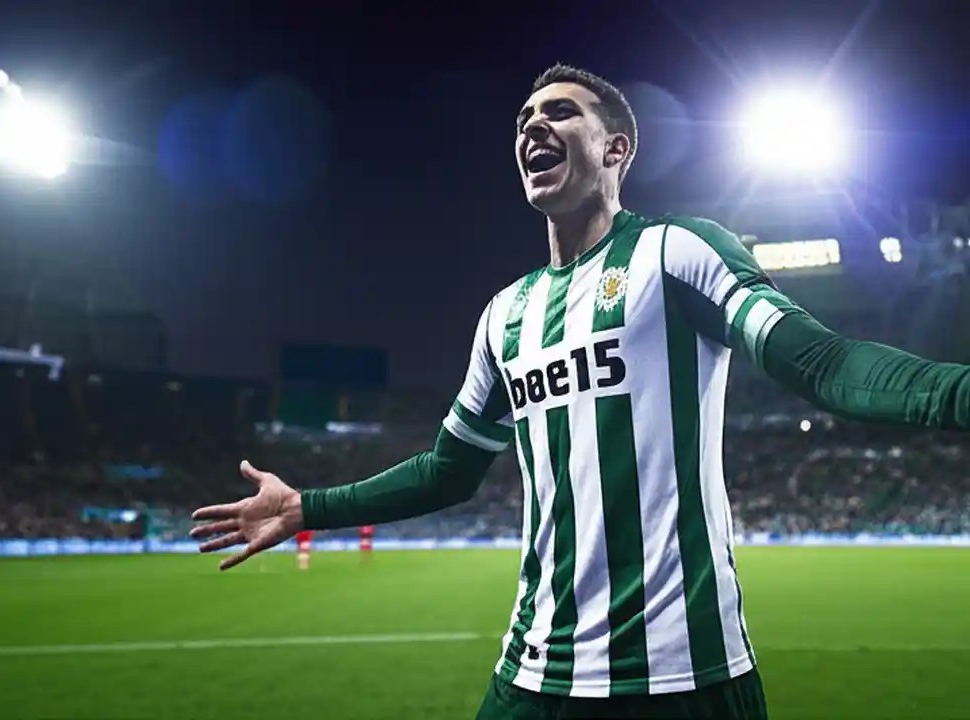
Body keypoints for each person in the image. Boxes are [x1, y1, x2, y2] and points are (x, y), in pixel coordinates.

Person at [190, 64, 970, 720]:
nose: (532, 125)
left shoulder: (677, 252)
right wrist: (306, 510)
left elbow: (825, 363)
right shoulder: (505, 315)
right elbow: (447, 470)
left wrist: (957, 392)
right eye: (524, 117)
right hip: (534, 677)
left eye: (560, 112)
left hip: (685, 676)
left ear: (614, 147)